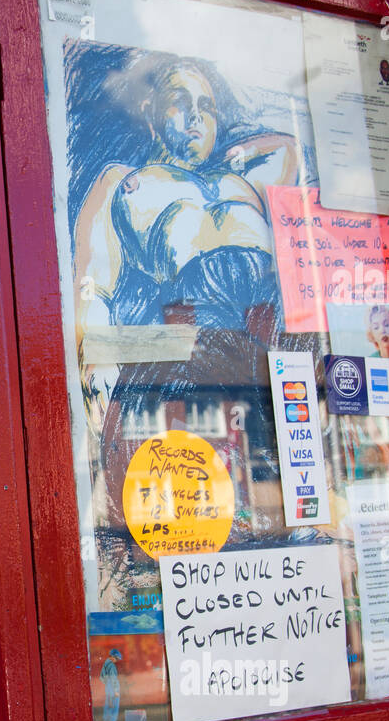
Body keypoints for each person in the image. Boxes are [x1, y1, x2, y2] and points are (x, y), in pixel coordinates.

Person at [71, 52, 305, 435]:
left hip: (263, 345)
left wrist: (241, 153)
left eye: (206, 107)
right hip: (189, 349)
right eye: (181, 102)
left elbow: (288, 150)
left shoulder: (242, 182)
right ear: (151, 112)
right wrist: (96, 366)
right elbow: (93, 289)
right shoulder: (126, 182)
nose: (196, 117)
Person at [101, 648, 122, 721]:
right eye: (116, 658)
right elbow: (113, 679)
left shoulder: (106, 664)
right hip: (113, 688)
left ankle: (106, 720)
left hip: (108, 687)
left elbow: (102, 677)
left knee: (108, 703)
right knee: (114, 705)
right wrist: (116, 691)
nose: (116, 660)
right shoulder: (111, 666)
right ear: (113, 657)